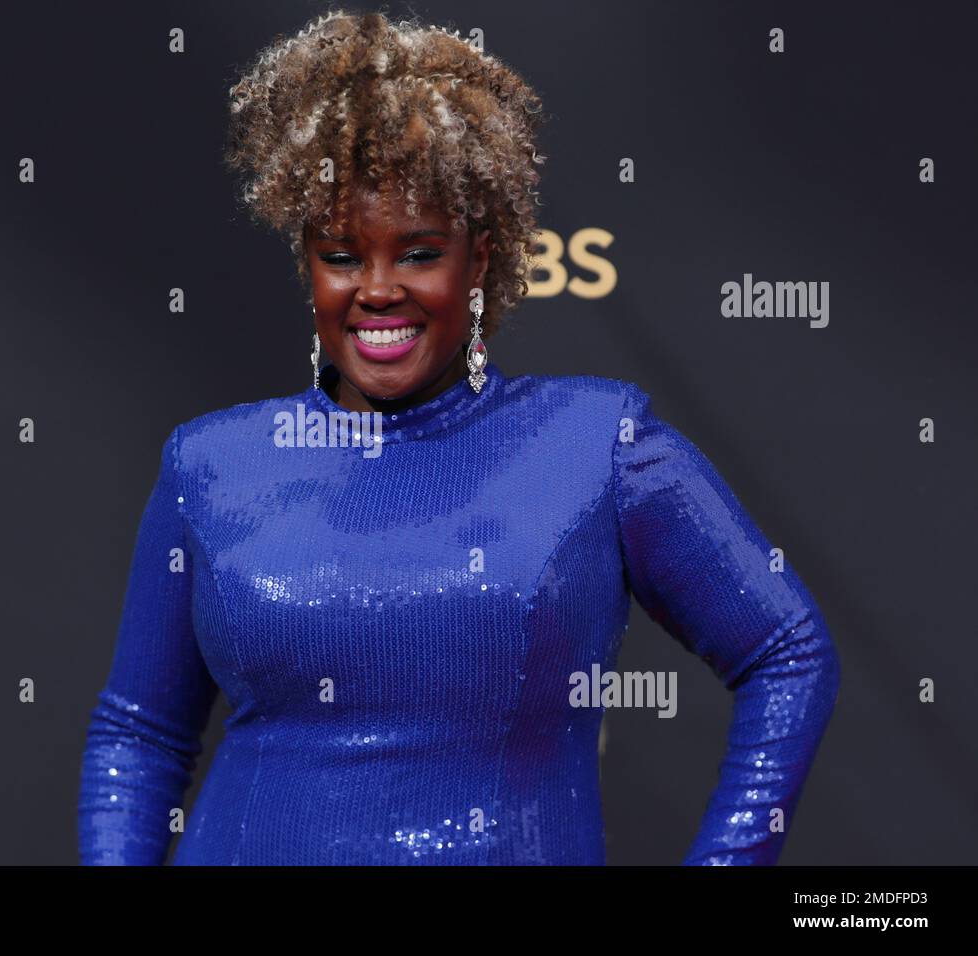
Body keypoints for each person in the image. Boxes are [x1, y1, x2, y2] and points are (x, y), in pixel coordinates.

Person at [77, 10, 839, 865]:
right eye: (340, 254)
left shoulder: (598, 448)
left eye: (417, 252)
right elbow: (138, 735)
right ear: (306, 266)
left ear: (480, 260)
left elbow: (786, 651)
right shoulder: (209, 465)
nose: (376, 288)